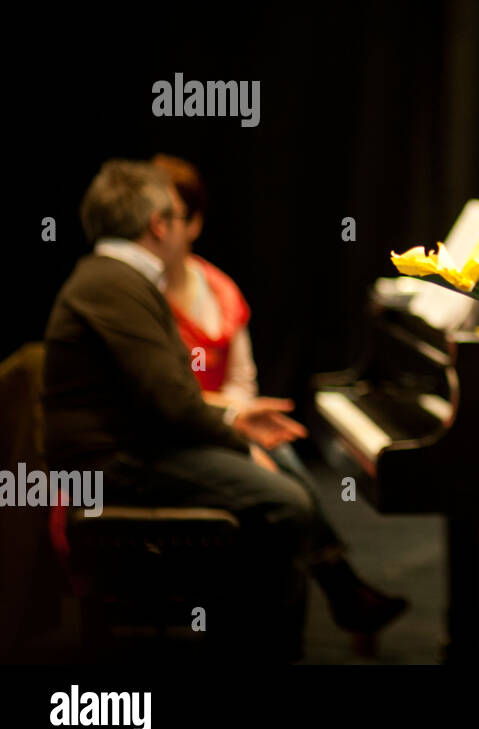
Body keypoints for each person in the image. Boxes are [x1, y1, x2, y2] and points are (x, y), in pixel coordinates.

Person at [41, 160, 400, 660]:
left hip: (131, 448)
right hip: (111, 464)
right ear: (159, 225)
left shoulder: (113, 278)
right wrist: (238, 442)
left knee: (284, 490)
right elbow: (172, 404)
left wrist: (236, 421)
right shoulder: (115, 283)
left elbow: (167, 396)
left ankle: (247, 639)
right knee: (286, 502)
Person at [148, 154, 408, 644]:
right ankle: (341, 587)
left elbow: (242, 381)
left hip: (221, 425)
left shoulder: (219, 290)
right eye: (150, 220)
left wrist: (237, 424)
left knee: (280, 454)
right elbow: (163, 396)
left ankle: (333, 595)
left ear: (196, 222)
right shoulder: (139, 295)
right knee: (280, 465)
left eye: (172, 218)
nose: (159, 231)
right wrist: (235, 430)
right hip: (177, 436)